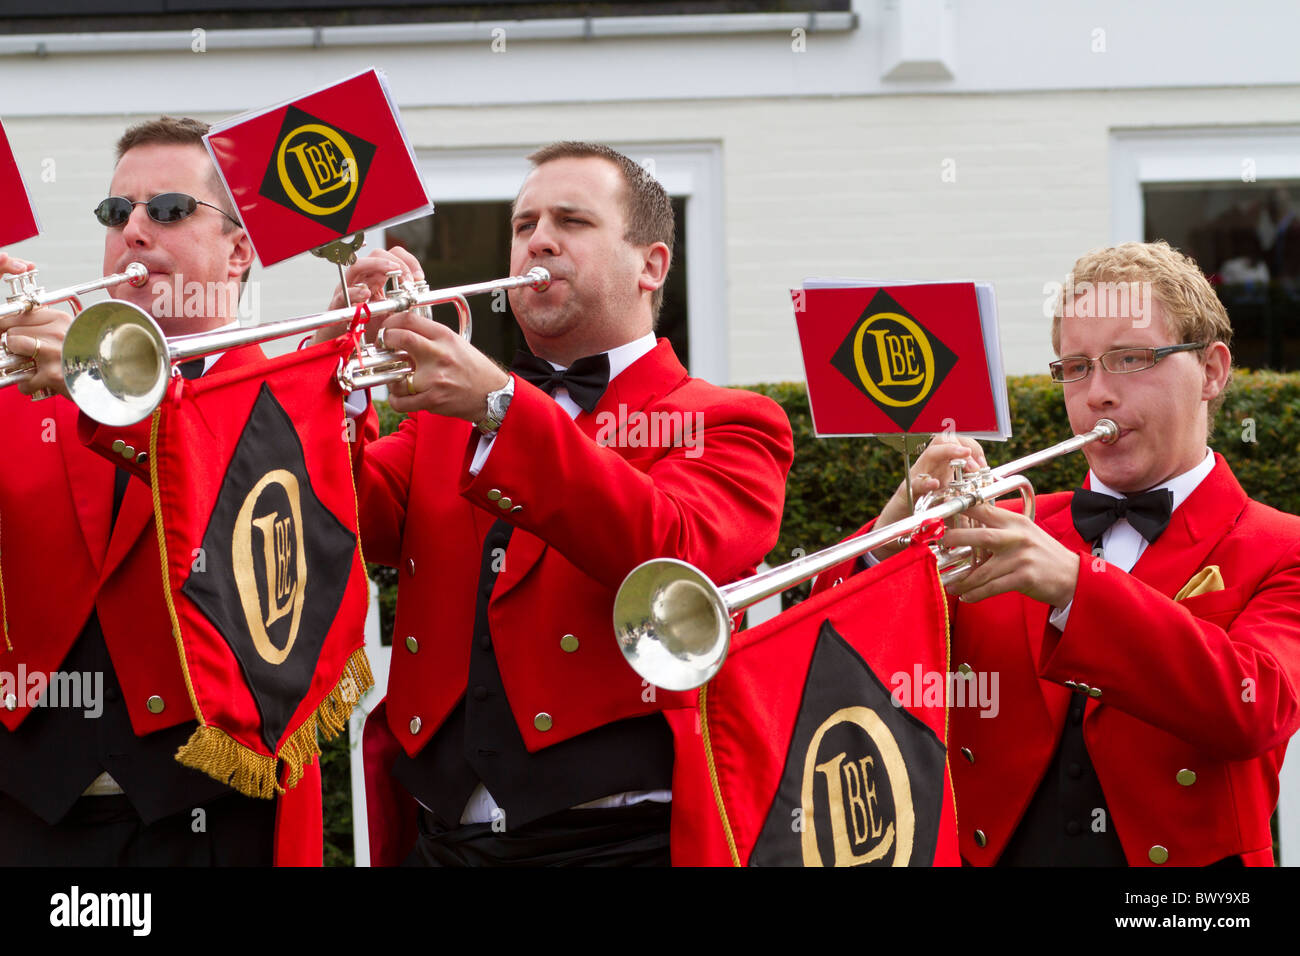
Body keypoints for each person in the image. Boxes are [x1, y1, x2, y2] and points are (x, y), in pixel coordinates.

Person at [350, 142, 793, 866]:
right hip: (442, 840)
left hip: (620, 845)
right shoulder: (443, 421)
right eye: (524, 225)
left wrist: (502, 408)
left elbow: (671, 550)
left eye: (572, 221)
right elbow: (343, 521)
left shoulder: (728, 421)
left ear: (652, 266)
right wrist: (335, 375)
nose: (539, 240)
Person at [817, 240, 1300, 866]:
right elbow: (841, 665)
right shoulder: (1014, 522)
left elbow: (1254, 709)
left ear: (1211, 371)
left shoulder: (1280, 545)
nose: (1096, 394)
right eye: (1076, 367)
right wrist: (892, 531)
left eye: (1131, 359)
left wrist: (1078, 587)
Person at [0, 116, 320, 865]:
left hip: (210, 809)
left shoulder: (293, 395)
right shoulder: (25, 394)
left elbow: (253, 527)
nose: (134, 231)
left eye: (169, 210)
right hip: (29, 809)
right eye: (116, 213)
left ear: (239, 250)